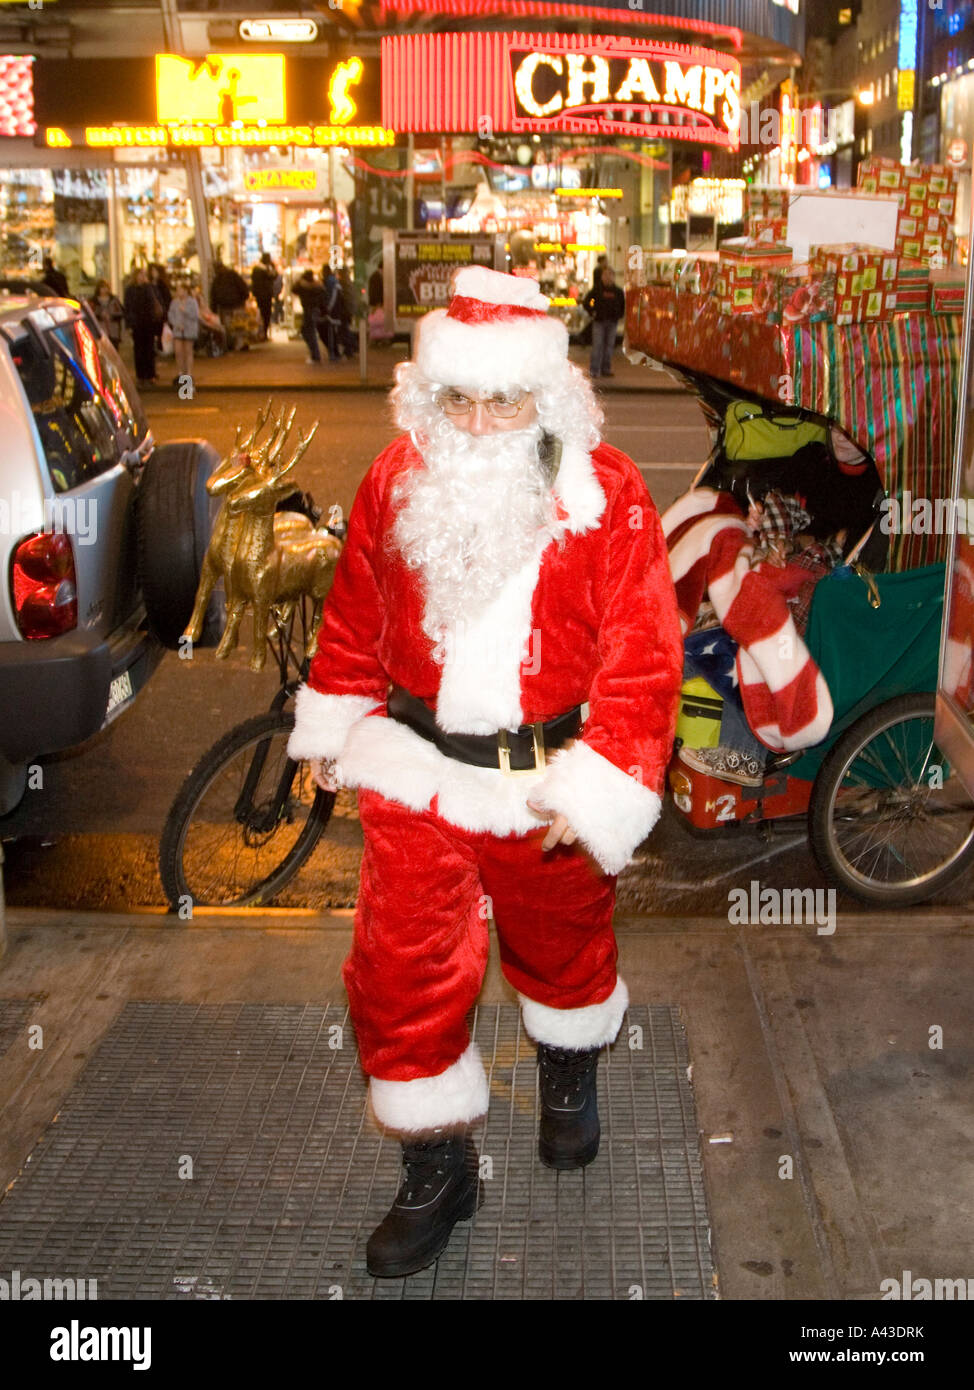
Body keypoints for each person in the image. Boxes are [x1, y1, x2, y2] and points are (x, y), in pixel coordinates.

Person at [287, 266, 684, 1278]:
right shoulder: (392, 477)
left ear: (545, 396)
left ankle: (566, 1074)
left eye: (500, 398)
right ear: (429, 394)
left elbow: (642, 657)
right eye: (456, 398)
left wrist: (600, 781)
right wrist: (329, 735)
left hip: (548, 779)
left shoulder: (610, 497)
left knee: (562, 950)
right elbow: (353, 619)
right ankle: (437, 1167)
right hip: (418, 773)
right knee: (397, 973)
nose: (476, 421)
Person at [678, 491, 844, 786]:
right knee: (697, 645)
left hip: (785, 614)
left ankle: (741, 753)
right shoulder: (804, 492)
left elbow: (817, 561)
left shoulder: (822, 549)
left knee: (746, 655)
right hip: (761, 588)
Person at [583, 266, 626, 379]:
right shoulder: (597, 289)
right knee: (597, 345)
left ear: (614, 277)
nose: (608, 278)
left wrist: (619, 315)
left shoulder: (618, 291)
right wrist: (592, 312)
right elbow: (586, 301)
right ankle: (594, 369)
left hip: (612, 322)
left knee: (609, 346)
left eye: (610, 275)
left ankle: (605, 369)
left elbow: (623, 305)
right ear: (602, 277)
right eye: (605, 275)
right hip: (599, 321)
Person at [123, 267, 163, 385]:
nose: (142, 277)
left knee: (149, 349)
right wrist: (129, 325)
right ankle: (141, 375)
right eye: (140, 275)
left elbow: (154, 302)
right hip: (137, 324)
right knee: (139, 350)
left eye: (143, 275)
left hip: (149, 322)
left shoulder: (148, 288)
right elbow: (128, 307)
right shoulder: (130, 290)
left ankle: (150, 374)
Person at [209, 257, 250, 349]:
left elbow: (214, 296)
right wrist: (244, 298)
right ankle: (240, 343)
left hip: (225, 306)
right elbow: (243, 287)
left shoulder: (217, 280)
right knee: (239, 325)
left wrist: (214, 310)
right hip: (237, 304)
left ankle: (231, 344)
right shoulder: (233, 275)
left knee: (228, 326)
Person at [167, 280, 199, 388]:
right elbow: (170, 315)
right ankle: (181, 371)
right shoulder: (174, 302)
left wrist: (185, 310)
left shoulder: (192, 302)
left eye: (180, 290)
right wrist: (176, 324)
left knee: (188, 351)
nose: (178, 292)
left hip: (189, 329)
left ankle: (189, 373)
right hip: (178, 330)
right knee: (179, 351)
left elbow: (195, 315)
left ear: (185, 291)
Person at [293, 269, 325, 363]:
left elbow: (294, 289)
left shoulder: (303, 286)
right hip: (315, 310)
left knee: (309, 332)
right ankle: (315, 354)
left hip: (309, 310)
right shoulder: (317, 286)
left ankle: (315, 355)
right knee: (309, 331)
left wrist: (299, 281)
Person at [88, 279, 124, 348]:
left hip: (113, 331)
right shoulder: (93, 301)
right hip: (99, 330)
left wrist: (111, 316)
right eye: (102, 287)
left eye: (106, 287)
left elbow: (120, 313)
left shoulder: (114, 300)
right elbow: (90, 315)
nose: (104, 289)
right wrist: (100, 316)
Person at [250, 252, 277, 341]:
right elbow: (274, 276)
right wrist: (273, 267)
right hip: (266, 296)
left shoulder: (256, 269)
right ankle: (264, 333)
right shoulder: (265, 270)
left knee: (260, 314)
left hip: (258, 295)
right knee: (266, 315)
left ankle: (259, 333)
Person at [319, 266, 343, 362]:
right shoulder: (332, 281)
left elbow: (332, 296)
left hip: (331, 311)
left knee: (330, 332)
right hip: (333, 311)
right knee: (331, 332)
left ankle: (334, 353)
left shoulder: (330, 282)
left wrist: (328, 309)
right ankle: (334, 353)